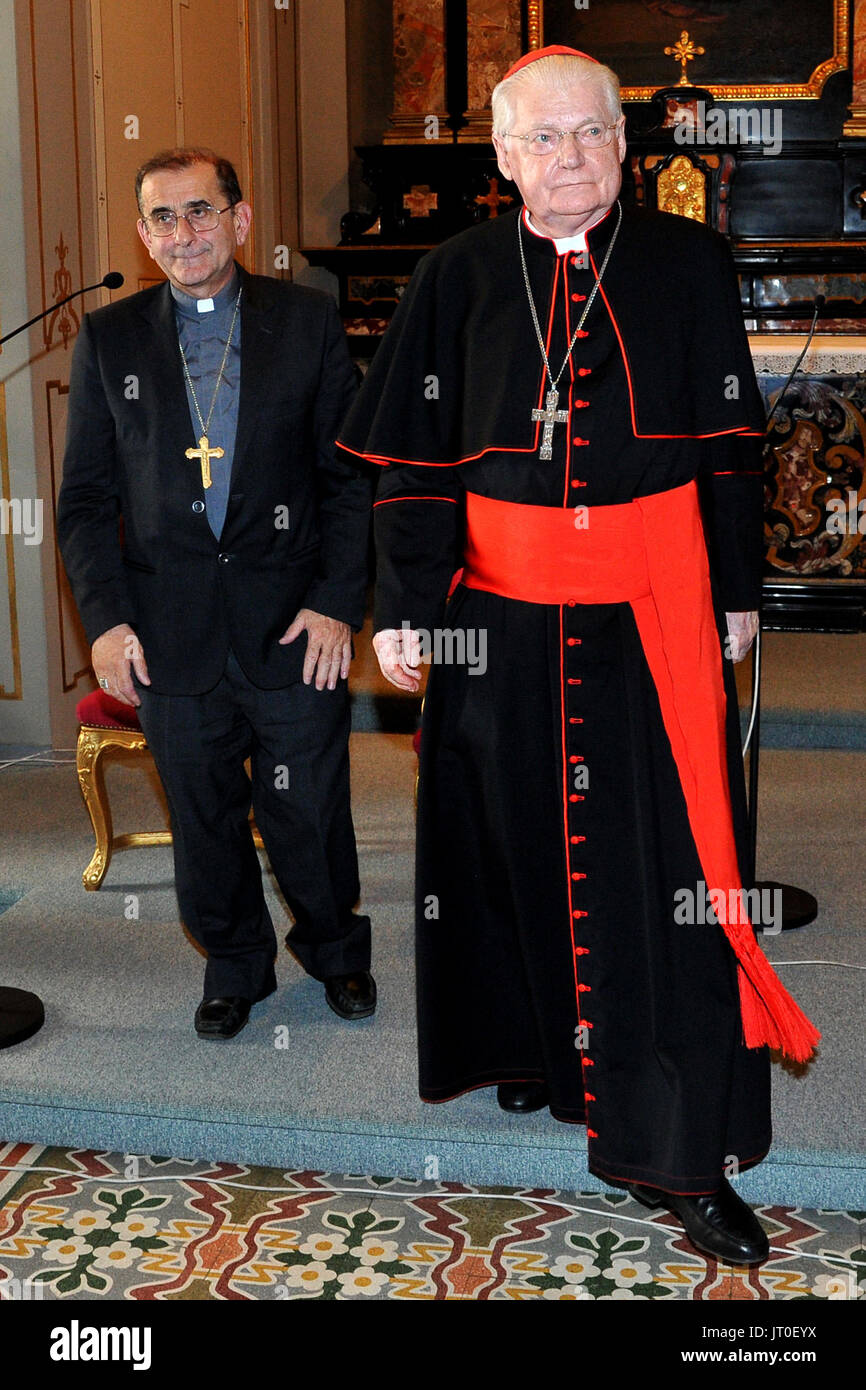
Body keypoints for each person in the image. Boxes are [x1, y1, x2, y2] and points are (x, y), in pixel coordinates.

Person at [337, 48, 820, 1265]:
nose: (568, 157)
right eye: (541, 138)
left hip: (650, 608)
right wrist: (404, 607)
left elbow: (725, 451)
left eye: (589, 133)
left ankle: (674, 1149)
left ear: (624, 142)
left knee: (663, 876)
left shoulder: (685, 263)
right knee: (503, 851)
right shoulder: (453, 275)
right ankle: (542, 1055)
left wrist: (734, 591)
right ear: (502, 158)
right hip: (495, 616)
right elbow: (412, 467)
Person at [58, 148, 375, 1040]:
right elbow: (84, 501)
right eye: (162, 217)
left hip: (292, 623)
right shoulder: (110, 338)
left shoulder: (306, 323)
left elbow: (349, 479)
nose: (182, 233)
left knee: (306, 806)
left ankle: (336, 950)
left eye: (200, 211)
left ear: (239, 220)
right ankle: (236, 965)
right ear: (143, 234)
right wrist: (108, 622)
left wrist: (335, 603)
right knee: (202, 812)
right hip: (167, 631)